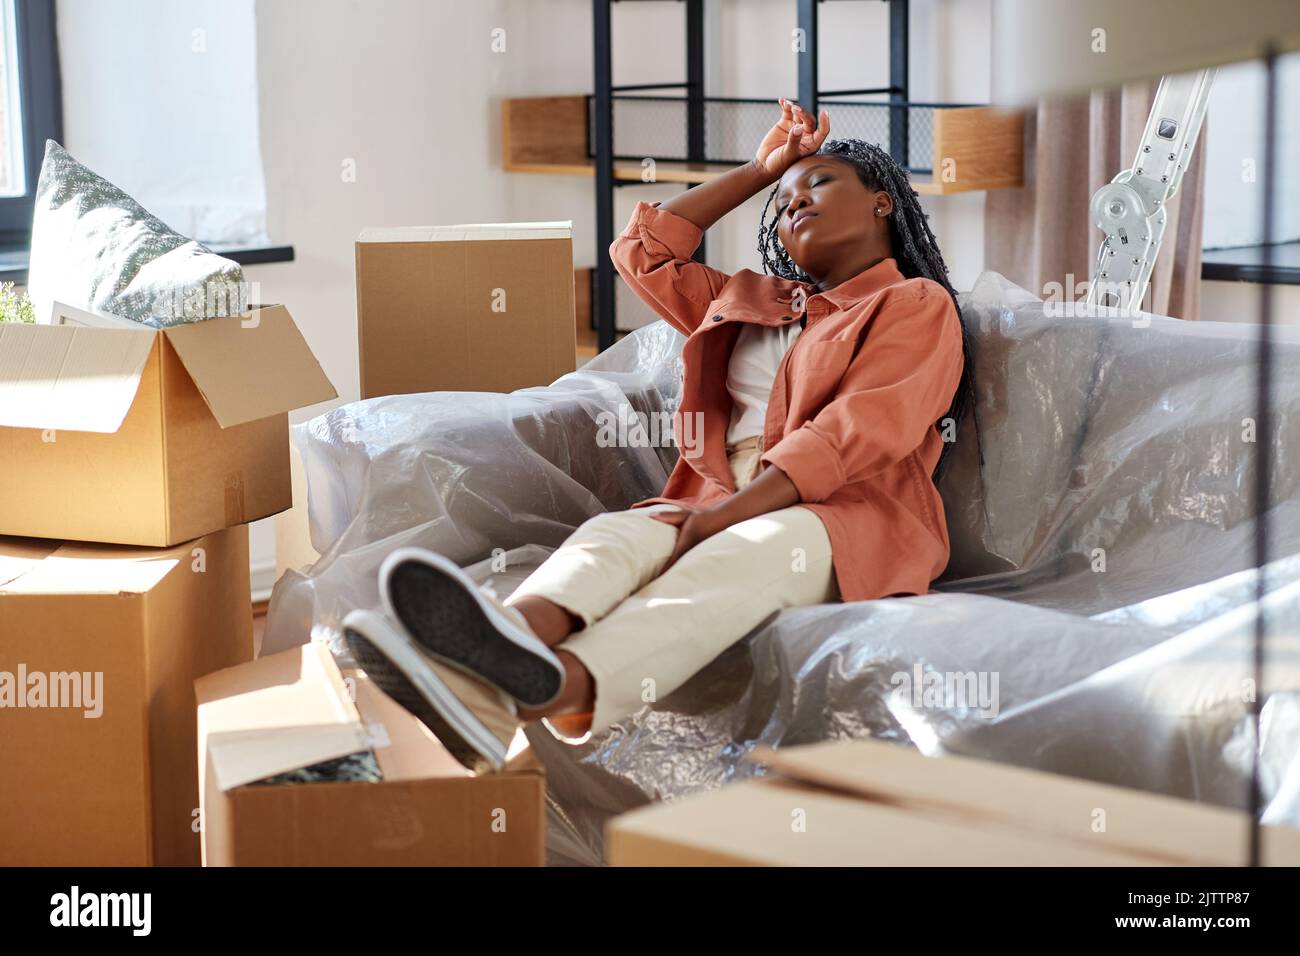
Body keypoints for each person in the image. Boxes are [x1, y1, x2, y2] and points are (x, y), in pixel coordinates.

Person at [343, 98, 975, 773]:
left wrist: (731, 515)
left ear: (882, 203)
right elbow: (644, 251)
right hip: (714, 497)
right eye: (783, 202)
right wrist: (761, 169)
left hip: (841, 517)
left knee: (749, 551)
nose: (796, 203)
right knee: (615, 537)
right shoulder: (751, 298)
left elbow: (858, 432)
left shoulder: (913, 303)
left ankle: (545, 690)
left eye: (818, 183)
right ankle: (499, 662)